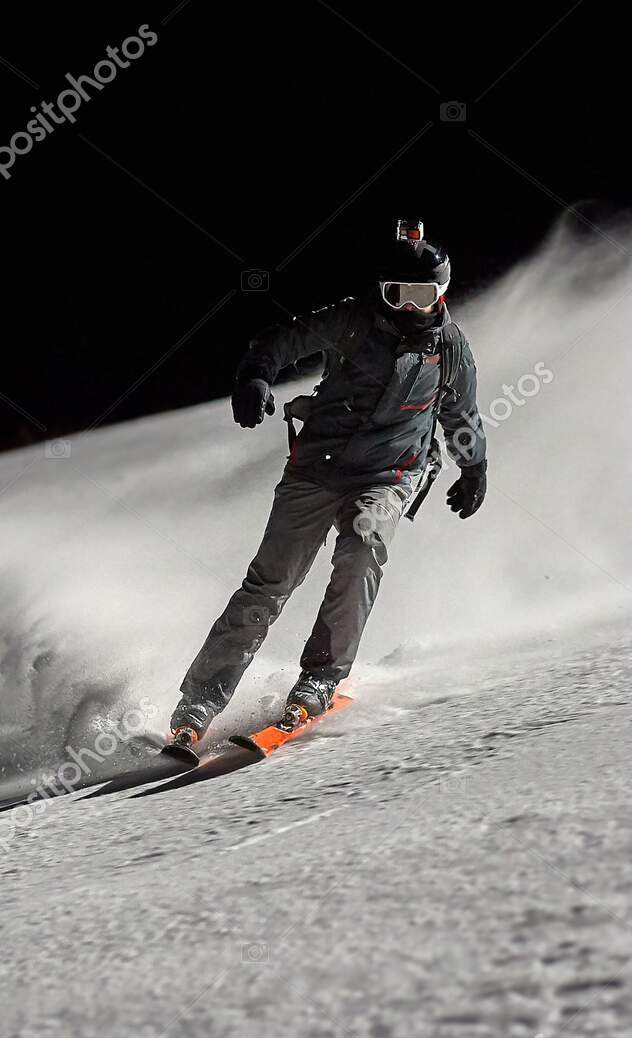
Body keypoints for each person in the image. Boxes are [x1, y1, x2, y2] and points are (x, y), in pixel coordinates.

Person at [167, 220, 489, 746]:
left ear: (442, 292)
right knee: (269, 584)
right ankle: (200, 700)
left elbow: (463, 415)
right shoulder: (354, 321)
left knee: (363, 545)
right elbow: (278, 341)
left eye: (421, 296)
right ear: (380, 291)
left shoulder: (451, 350)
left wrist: (473, 468)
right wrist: (254, 376)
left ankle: (320, 677)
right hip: (317, 467)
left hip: (390, 474)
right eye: (396, 295)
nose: (409, 308)